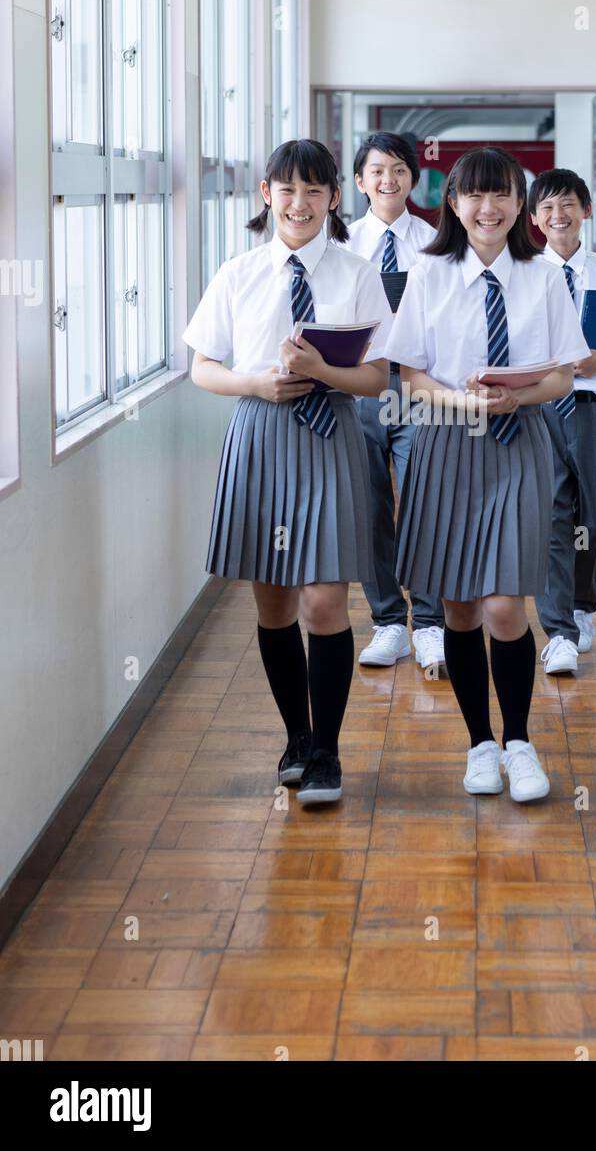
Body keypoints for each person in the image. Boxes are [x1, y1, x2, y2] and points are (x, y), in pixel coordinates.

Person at [182, 140, 392, 806]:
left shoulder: (357, 273)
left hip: (328, 436)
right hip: (261, 434)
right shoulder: (238, 273)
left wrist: (320, 372)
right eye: (287, 189)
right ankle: (295, 737)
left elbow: (377, 377)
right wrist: (256, 384)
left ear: (335, 198)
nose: (300, 203)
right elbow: (201, 367)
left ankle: (328, 750)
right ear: (266, 194)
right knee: (273, 601)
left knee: (324, 599)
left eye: (315, 191)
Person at [386, 146, 588, 801]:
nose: (489, 207)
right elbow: (411, 375)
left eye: (502, 194)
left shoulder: (542, 276)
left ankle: (521, 743)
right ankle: (479, 744)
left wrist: (517, 397)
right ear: (453, 202)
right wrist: (463, 400)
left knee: (506, 606)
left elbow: (563, 372)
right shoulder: (429, 272)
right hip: (446, 442)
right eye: (475, 195)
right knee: (460, 607)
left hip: (518, 440)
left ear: (519, 205)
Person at [344, 132, 445, 674]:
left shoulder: (434, 243)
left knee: (423, 501)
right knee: (370, 506)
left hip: (416, 387)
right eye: (377, 170)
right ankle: (388, 621)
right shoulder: (341, 244)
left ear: (414, 177)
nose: (389, 179)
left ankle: (429, 623)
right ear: (359, 181)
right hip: (359, 385)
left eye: (400, 169)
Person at [529, 168, 596, 676]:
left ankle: (581, 605)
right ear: (534, 219)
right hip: (544, 407)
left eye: (567, 204)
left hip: (595, 408)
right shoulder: (526, 274)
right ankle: (559, 632)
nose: (558, 215)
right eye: (547, 208)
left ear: (585, 209)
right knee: (551, 516)